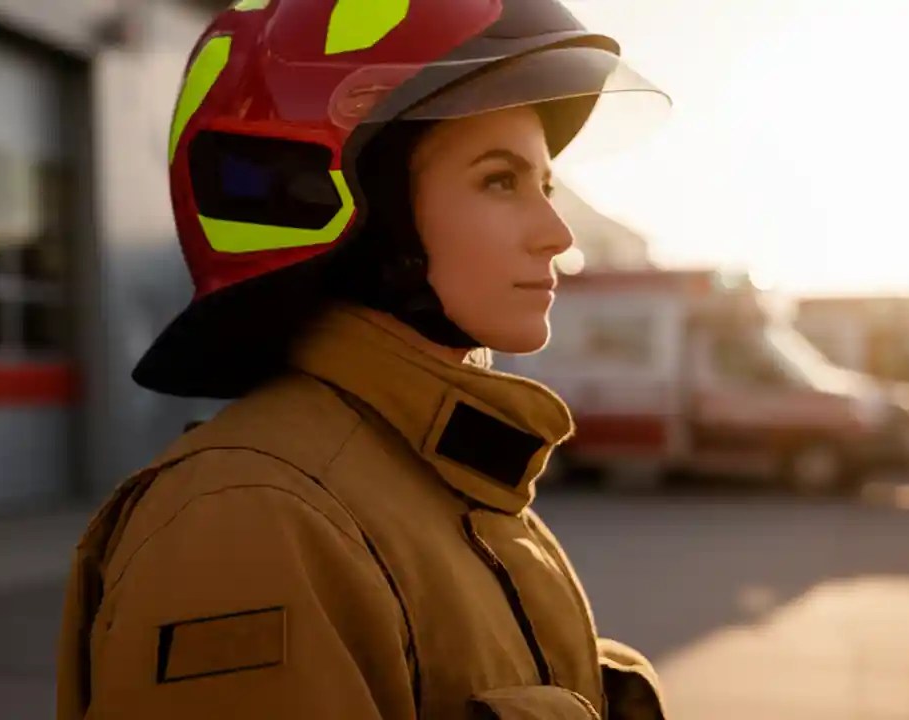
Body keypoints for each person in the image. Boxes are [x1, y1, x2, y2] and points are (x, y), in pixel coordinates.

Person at [57, 0, 671, 718]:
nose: (557, 233)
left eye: (545, 185)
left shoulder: (463, 485)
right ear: (351, 208)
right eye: (500, 181)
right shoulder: (253, 519)